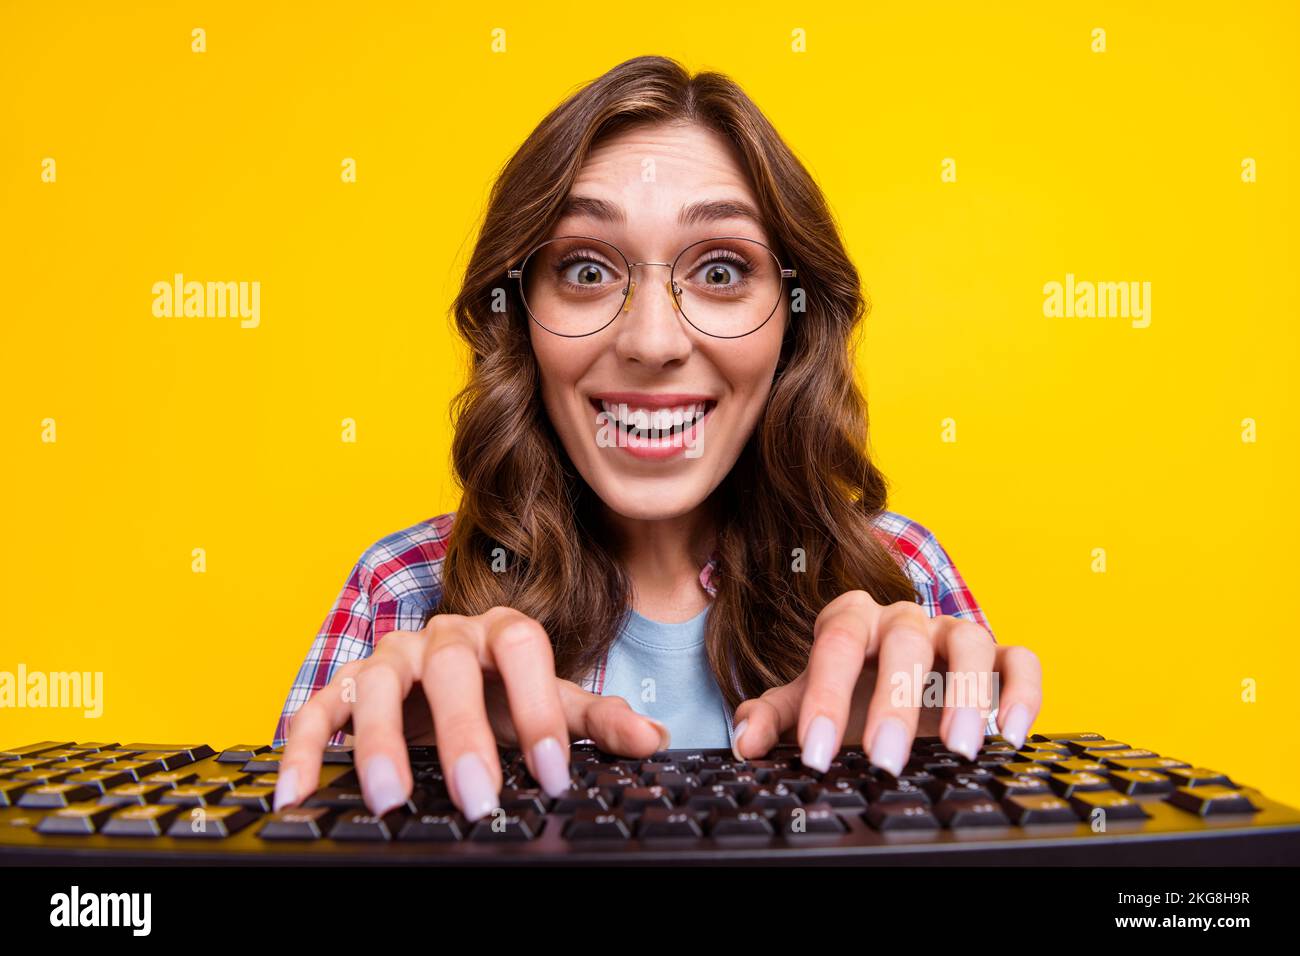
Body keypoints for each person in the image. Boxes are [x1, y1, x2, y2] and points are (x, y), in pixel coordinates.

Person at [273, 55, 1042, 823]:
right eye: (583, 268)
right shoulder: (403, 594)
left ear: (794, 322)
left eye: (719, 270)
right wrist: (376, 796)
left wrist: (946, 773)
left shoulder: (902, 577)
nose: (651, 341)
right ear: (519, 318)